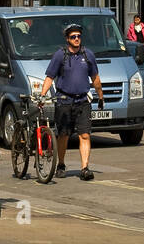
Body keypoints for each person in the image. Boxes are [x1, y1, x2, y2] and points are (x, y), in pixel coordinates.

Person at [39, 23, 104, 181]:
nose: (77, 39)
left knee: (85, 135)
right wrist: (42, 95)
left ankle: (85, 168)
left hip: (83, 100)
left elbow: (95, 78)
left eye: (79, 36)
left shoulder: (88, 55)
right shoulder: (60, 55)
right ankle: (61, 164)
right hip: (64, 100)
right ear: (67, 39)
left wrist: (101, 96)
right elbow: (50, 77)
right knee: (63, 135)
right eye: (73, 37)